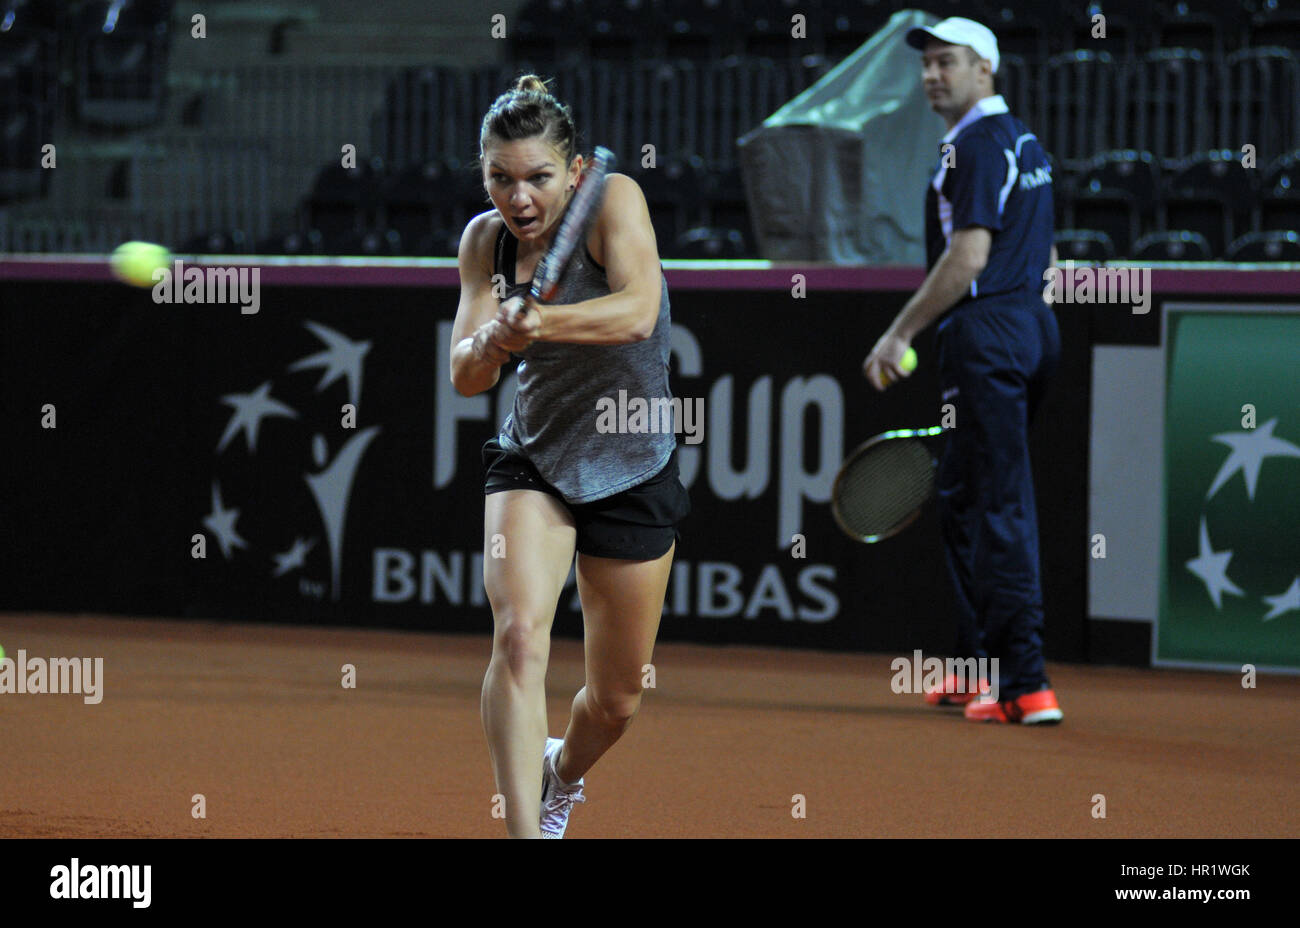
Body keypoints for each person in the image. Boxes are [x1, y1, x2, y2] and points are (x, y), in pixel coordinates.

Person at [450, 74, 690, 837]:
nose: (517, 198)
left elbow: (638, 310)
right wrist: (490, 339)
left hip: (633, 464)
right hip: (536, 461)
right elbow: (465, 376)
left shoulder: (614, 200)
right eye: (499, 177)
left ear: (575, 171)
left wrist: (541, 324)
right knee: (519, 635)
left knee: (616, 701)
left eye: (537, 178)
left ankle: (561, 776)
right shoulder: (483, 242)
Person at [861, 18, 1063, 724]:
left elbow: (968, 258)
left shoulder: (974, 144)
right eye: (926, 65)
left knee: (997, 503)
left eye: (947, 63)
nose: (931, 76)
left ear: (986, 69)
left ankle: (1024, 682)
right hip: (1031, 329)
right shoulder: (1025, 144)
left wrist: (898, 333)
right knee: (963, 496)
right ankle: (974, 667)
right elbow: (1048, 257)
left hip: (987, 332)